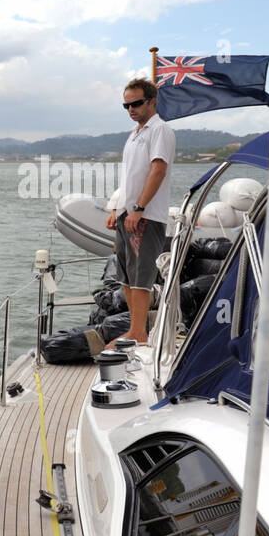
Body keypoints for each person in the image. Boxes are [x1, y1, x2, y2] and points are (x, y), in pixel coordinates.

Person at [106, 77, 174, 343]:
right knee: (126, 273)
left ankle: (138, 332)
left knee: (141, 275)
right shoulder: (134, 134)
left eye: (136, 103)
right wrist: (117, 208)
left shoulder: (160, 130)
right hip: (128, 214)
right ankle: (136, 330)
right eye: (127, 105)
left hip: (145, 215)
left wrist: (139, 208)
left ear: (152, 101)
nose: (131, 109)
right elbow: (130, 177)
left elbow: (158, 170)